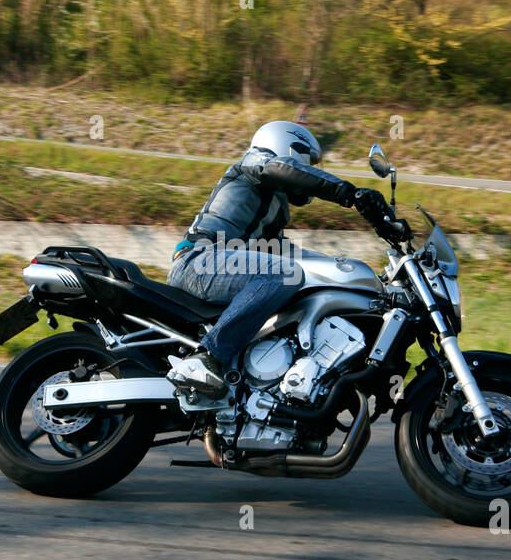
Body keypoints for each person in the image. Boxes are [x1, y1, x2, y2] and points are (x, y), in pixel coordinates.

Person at [166, 119, 403, 396]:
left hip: (221, 264)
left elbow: (292, 254)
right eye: (308, 160)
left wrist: (365, 278)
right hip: (200, 259)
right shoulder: (255, 164)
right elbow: (277, 168)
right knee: (282, 274)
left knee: (297, 274)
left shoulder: (270, 206)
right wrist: (349, 193)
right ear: (288, 148)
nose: (311, 168)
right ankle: (210, 357)